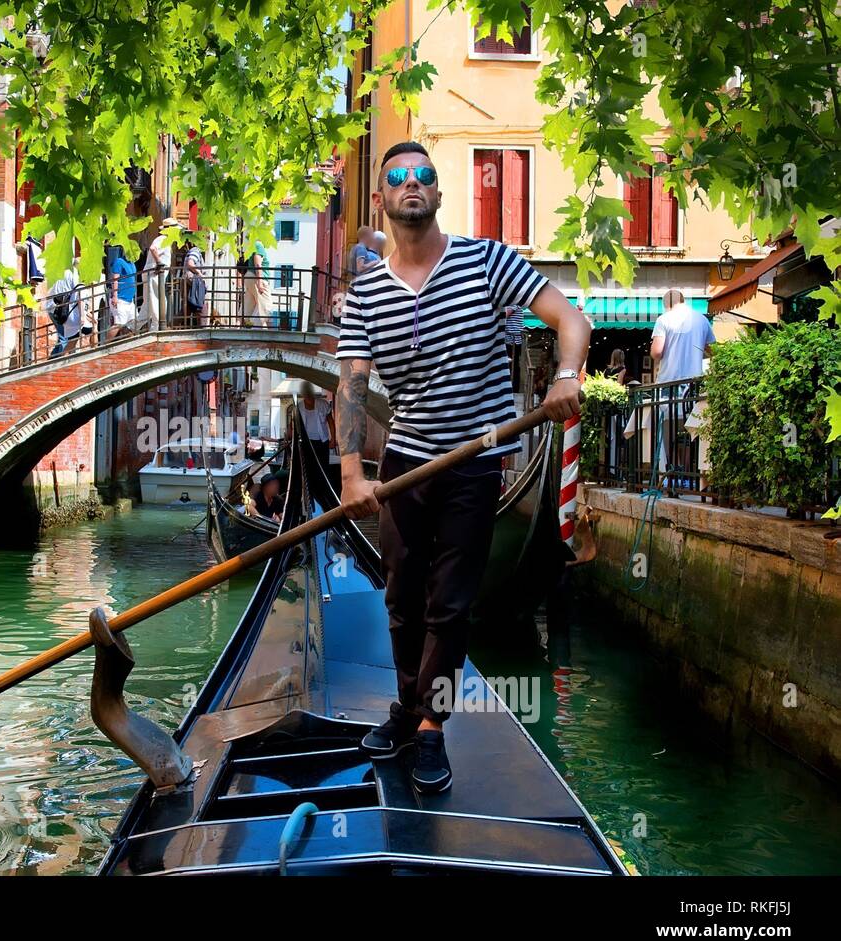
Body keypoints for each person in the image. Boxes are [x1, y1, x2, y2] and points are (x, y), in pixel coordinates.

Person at [335, 141, 589, 794]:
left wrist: (566, 373)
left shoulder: (486, 261)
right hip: (404, 466)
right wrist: (351, 475)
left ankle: (429, 727)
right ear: (381, 199)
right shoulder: (366, 293)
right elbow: (352, 387)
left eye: (424, 175)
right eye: (399, 177)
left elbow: (571, 319)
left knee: (449, 606)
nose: (412, 184)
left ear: (439, 193)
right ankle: (406, 703)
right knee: (401, 599)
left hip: (475, 465)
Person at [650, 290, 714, 484]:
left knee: (668, 430)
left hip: (670, 382)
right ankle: (688, 474)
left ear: (666, 304)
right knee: (690, 429)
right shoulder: (702, 320)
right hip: (694, 384)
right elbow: (711, 350)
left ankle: (671, 474)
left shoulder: (664, 319)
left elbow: (657, 352)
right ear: (684, 301)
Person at [142, 218, 176, 331]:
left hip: (154, 274)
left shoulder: (165, 240)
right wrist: (159, 263)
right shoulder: (162, 239)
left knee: (148, 306)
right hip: (155, 274)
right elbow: (152, 248)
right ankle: (157, 329)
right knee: (158, 302)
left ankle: (130, 328)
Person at [47, 259, 82, 357]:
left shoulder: (63, 271)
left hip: (52, 306)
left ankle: (53, 358)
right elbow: (79, 292)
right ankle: (58, 363)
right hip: (62, 309)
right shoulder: (75, 274)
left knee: (62, 336)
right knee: (65, 338)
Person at [108, 244, 138, 339]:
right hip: (121, 298)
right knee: (119, 324)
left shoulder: (132, 264)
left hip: (129, 300)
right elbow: (115, 279)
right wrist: (115, 295)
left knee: (133, 323)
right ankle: (103, 346)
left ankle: (130, 343)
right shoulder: (119, 261)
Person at [241, 240, 273, 326]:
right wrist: (260, 282)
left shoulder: (253, 245)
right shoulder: (259, 245)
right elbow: (258, 264)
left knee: (250, 304)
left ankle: (243, 325)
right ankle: (255, 328)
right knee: (266, 306)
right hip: (256, 277)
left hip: (250, 276)